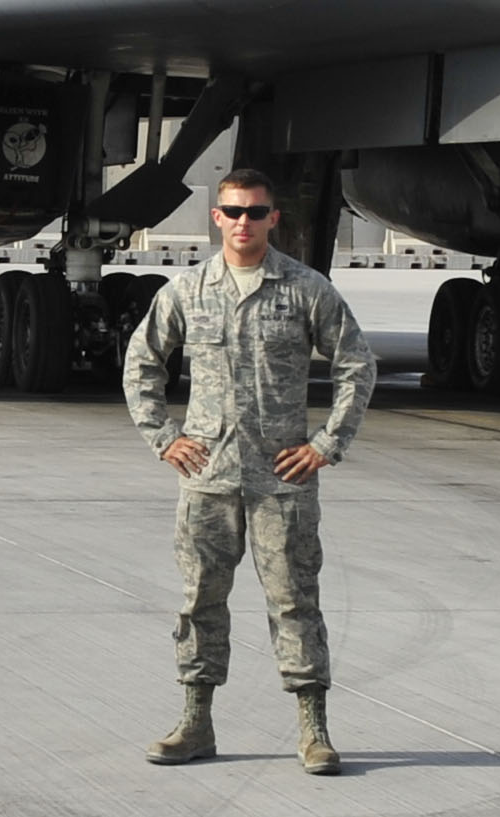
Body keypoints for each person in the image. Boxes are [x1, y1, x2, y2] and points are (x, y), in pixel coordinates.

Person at [122, 169, 377, 775]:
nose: (244, 222)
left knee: (295, 603)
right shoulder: (186, 291)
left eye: (256, 212)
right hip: (207, 477)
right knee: (200, 600)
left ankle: (313, 729)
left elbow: (356, 366)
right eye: (233, 211)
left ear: (273, 218)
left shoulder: (305, 289)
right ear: (217, 217)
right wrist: (164, 437)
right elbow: (142, 364)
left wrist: (326, 445)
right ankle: (195, 721)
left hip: (281, 481)